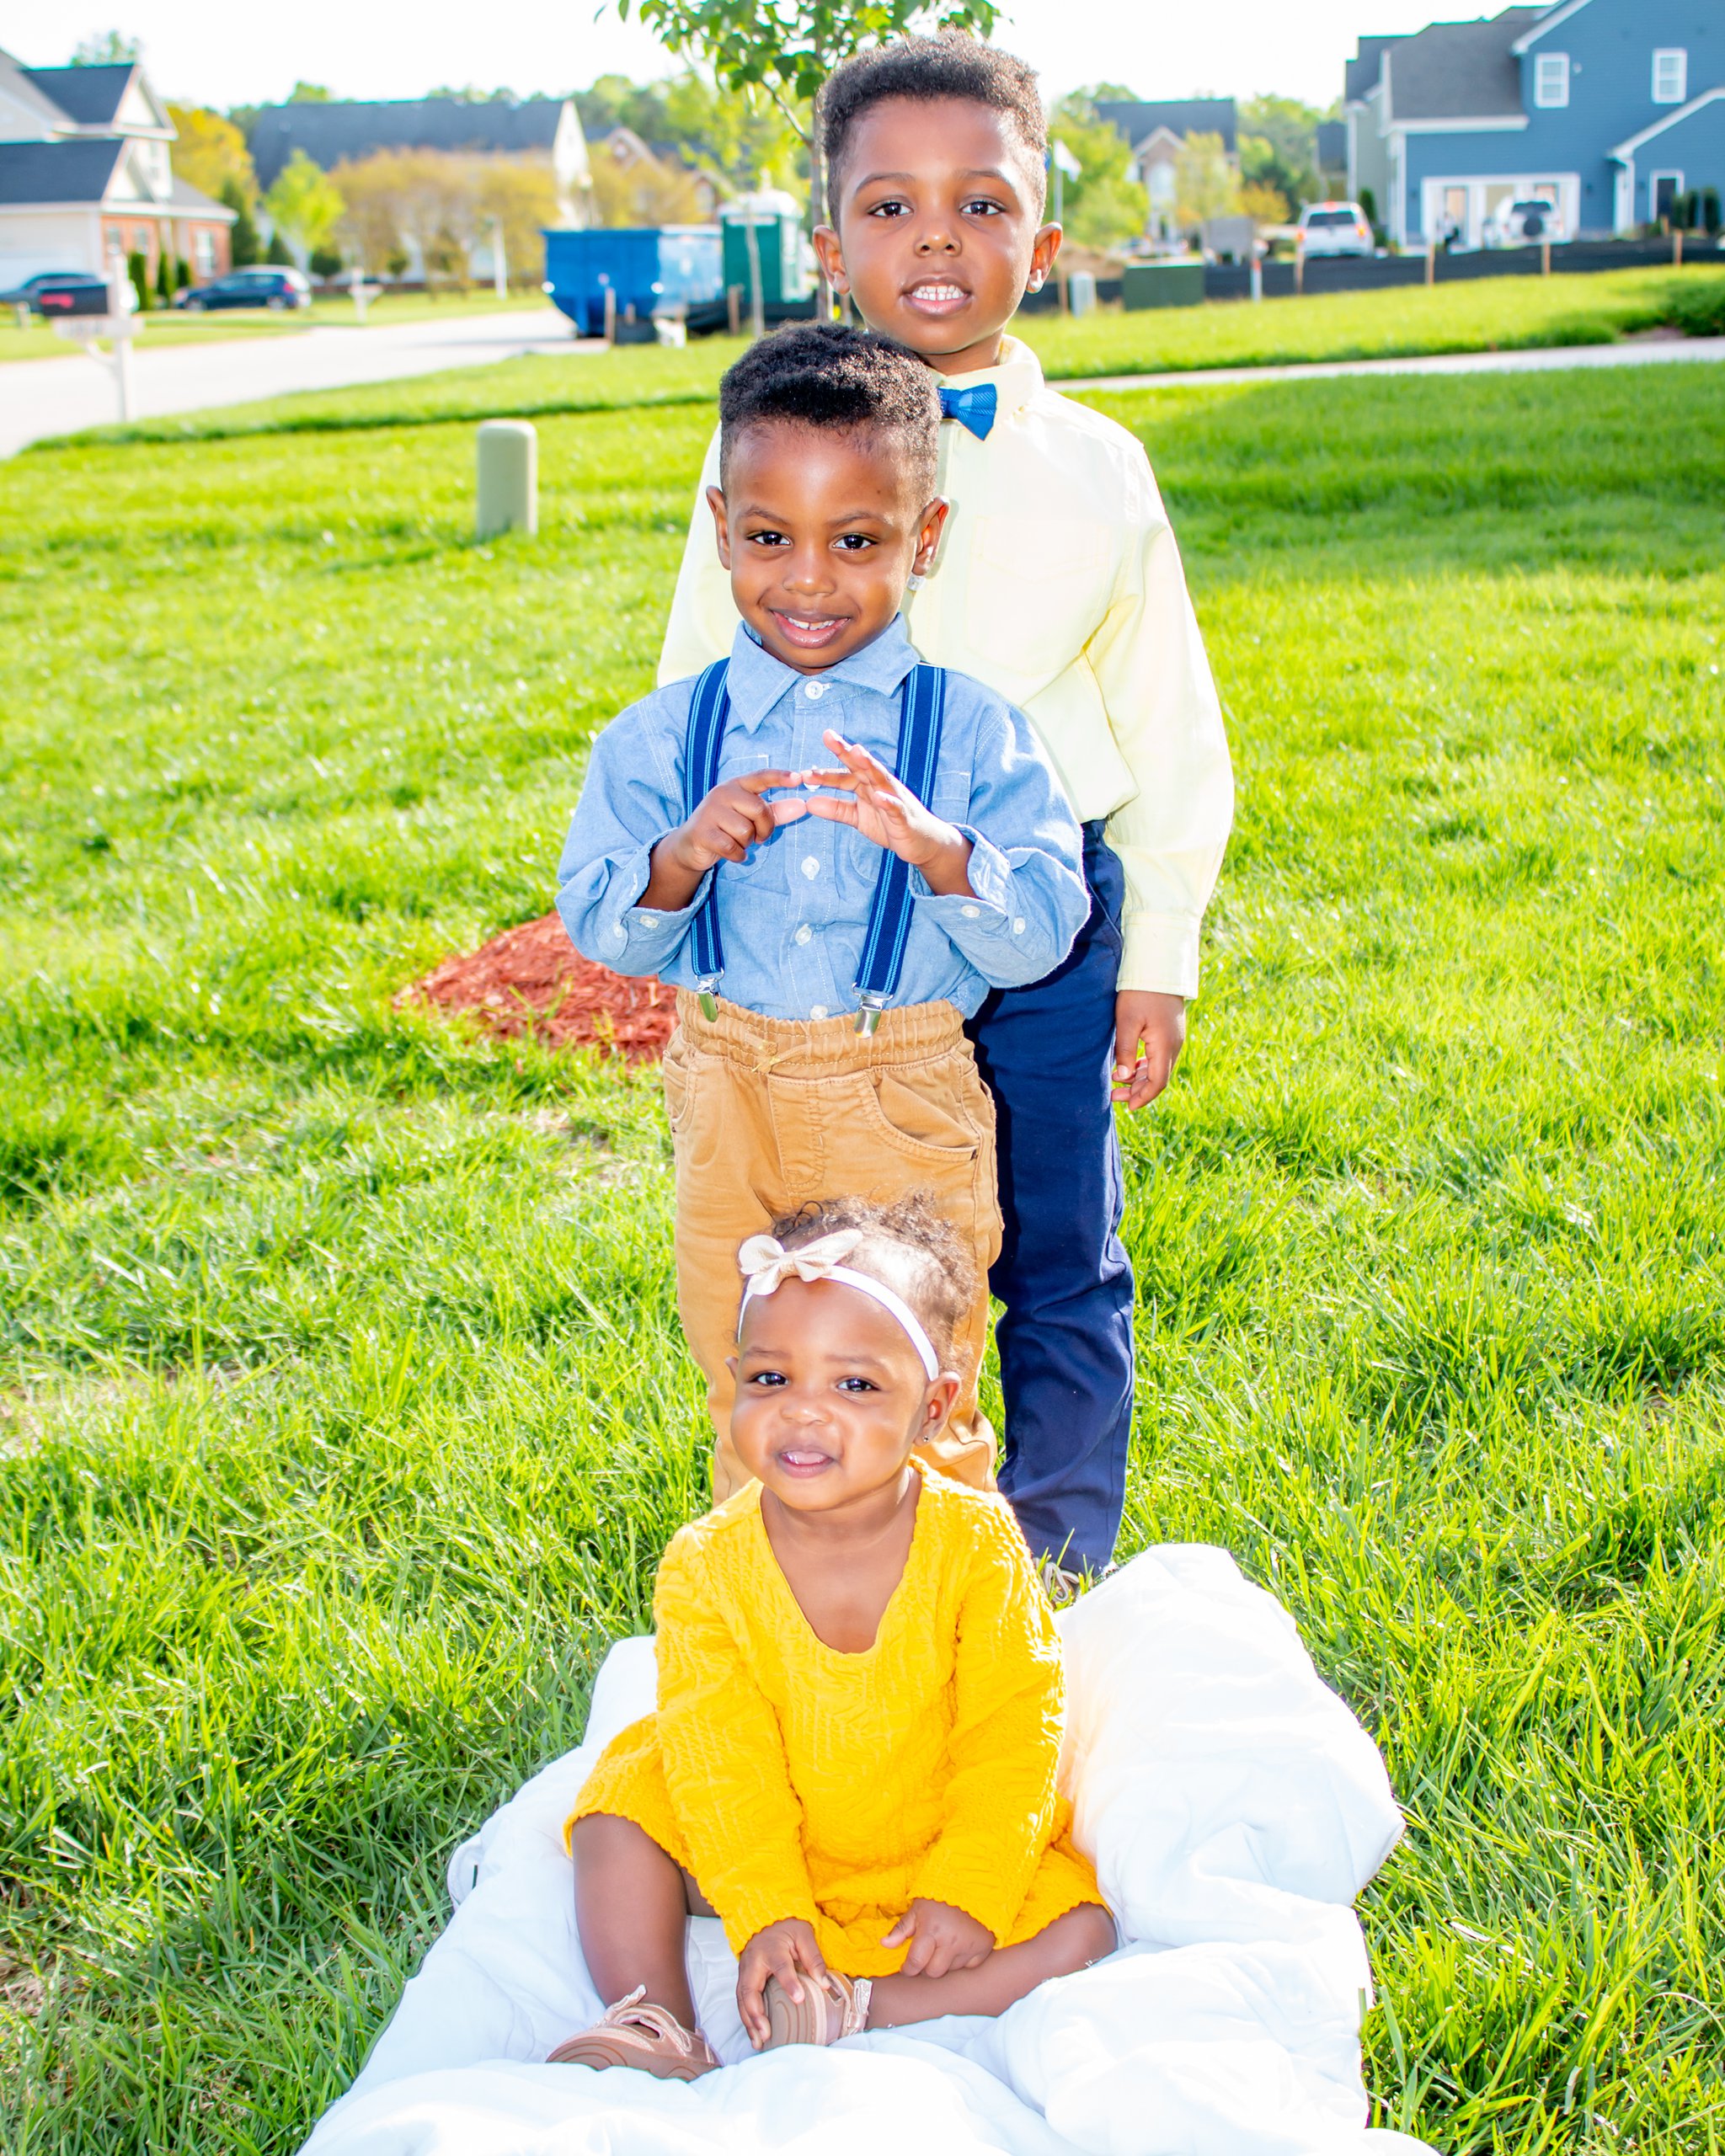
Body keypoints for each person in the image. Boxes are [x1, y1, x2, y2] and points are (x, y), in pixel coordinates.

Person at [659, 36, 1235, 1595]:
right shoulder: (761, 447)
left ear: (1040, 243)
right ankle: (837, 1552)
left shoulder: (1098, 473)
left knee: (1047, 1246)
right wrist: (694, 919)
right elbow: (693, 706)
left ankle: (1039, 1566)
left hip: (1040, 938)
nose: (935, 238)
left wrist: (1157, 949)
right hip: (829, 951)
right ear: (830, 242)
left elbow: (1168, 725)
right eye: (891, 206)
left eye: (980, 203)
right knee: (842, 1250)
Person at [558, 323, 1087, 1500]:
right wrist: (679, 861)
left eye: (857, 541)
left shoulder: (976, 733)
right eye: (768, 538)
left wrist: (945, 856)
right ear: (721, 528)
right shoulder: (659, 739)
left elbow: (1045, 925)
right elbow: (601, 926)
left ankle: (955, 1646)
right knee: (753, 1387)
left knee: (920, 1390)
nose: (808, 578)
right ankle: (776, 1648)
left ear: (924, 539)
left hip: (899, 1095)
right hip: (728, 1089)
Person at [550, 1199, 1116, 2079]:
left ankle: (859, 2005)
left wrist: (965, 1887)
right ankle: (654, 2017)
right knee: (621, 1805)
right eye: (772, 1380)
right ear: (734, 1378)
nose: (804, 1415)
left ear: (931, 1408)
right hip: (772, 1829)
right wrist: (765, 1908)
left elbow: (1013, 1727)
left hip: (927, 1827)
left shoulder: (974, 1542)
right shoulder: (706, 1563)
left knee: (1082, 1926)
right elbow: (720, 1752)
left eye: (853, 1385)